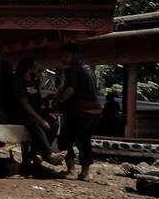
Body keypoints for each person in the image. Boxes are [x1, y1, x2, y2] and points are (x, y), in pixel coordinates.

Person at [5, 57, 63, 175]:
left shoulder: (34, 81)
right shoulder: (18, 81)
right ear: (29, 69)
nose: (39, 69)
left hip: (34, 111)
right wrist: (41, 119)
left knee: (54, 123)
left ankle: (37, 154)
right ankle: (49, 153)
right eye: (37, 67)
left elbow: (37, 101)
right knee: (35, 123)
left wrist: (49, 99)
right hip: (20, 112)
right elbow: (25, 104)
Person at [56, 42, 101, 181]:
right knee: (84, 141)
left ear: (75, 55)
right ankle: (85, 173)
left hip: (79, 111)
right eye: (62, 56)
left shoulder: (73, 70)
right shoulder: (88, 69)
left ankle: (71, 170)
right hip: (94, 111)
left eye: (66, 56)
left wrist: (59, 99)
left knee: (65, 139)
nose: (63, 58)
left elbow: (69, 90)